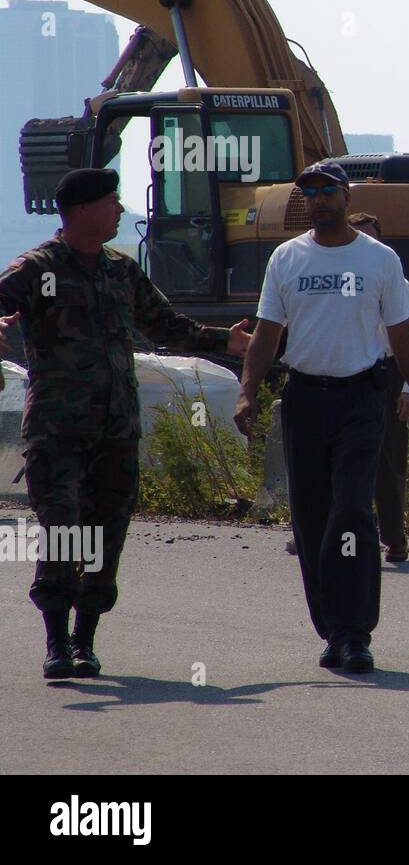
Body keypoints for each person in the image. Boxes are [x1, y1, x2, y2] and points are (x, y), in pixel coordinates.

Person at [0, 168, 251, 679]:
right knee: (64, 531)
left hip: (116, 430)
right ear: (83, 210)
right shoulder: (37, 268)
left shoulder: (120, 269)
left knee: (106, 534)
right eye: (112, 202)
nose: (119, 209)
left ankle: (85, 640)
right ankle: (55, 644)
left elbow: (166, 327)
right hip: (57, 429)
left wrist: (227, 342)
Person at [234, 162, 409, 675]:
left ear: (347, 197)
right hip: (305, 399)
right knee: (312, 518)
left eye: (328, 190)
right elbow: (266, 334)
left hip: (360, 399)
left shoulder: (379, 260)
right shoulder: (287, 258)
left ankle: (355, 633)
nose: (319, 199)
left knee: (351, 512)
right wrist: (247, 392)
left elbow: (404, 337)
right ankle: (330, 627)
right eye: (310, 192)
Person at [350, 212, 409, 563]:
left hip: (388, 374)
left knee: (388, 459)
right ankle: (330, 531)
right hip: (346, 372)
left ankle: (394, 538)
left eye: (372, 237)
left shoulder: (397, 281)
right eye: (359, 237)